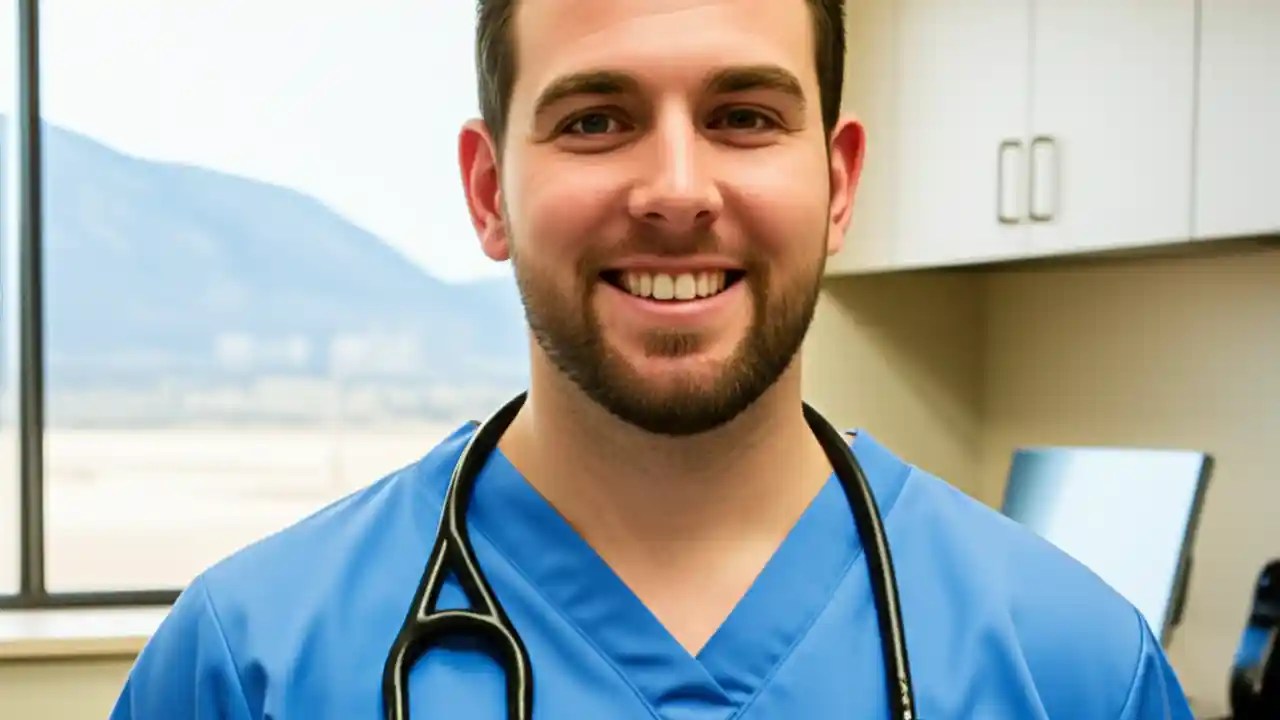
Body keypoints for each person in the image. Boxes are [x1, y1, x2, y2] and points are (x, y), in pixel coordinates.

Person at [110, 0, 1195, 718]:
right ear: (490, 192)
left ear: (839, 183)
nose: (676, 188)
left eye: (742, 115)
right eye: (593, 120)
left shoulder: (1076, 670)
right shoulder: (249, 667)